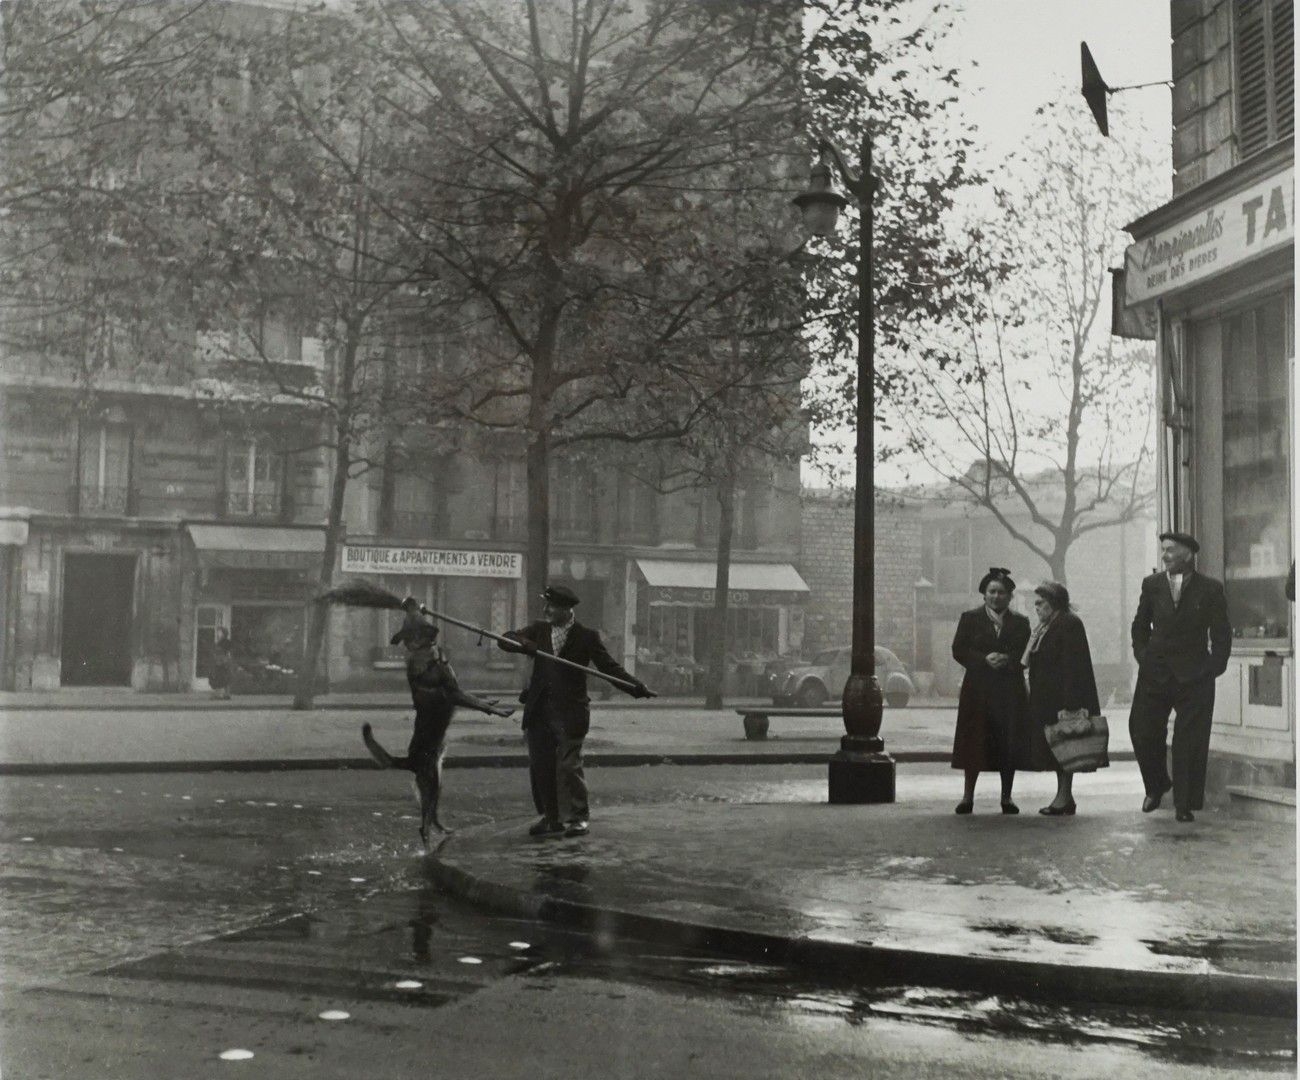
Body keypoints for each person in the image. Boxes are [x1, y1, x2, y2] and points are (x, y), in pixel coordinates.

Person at [499, 584, 653, 839]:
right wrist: (524, 643)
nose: (547, 610)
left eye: (552, 607)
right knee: (541, 767)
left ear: (567, 609)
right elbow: (507, 639)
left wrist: (636, 687)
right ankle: (551, 819)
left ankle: (578, 817)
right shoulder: (539, 629)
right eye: (546, 605)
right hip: (539, 711)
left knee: (569, 766)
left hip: (570, 713)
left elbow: (608, 667)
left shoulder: (586, 636)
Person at [363, 601, 513, 844]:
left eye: (412, 639)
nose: (409, 644)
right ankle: (426, 831)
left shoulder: (431, 657)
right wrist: (487, 708)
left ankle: (433, 823)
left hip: (430, 736)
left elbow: (453, 691)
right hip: (427, 740)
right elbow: (453, 694)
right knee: (430, 787)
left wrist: (412, 607)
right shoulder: (423, 663)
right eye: (408, 640)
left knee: (433, 787)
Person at [1128, 531, 1232, 823]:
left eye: (1170, 550)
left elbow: (1221, 632)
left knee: (1190, 740)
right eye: (1163, 550)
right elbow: (1139, 627)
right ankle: (1157, 784)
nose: (1164, 555)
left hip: (1195, 675)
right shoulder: (1152, 585)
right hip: (1155, 671)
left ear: (1187, 554)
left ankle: (1184, 805)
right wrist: (1143, 656)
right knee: (1141, 728)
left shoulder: (1210, 589)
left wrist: (1214, 666)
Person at [950, 568, 1046, 814]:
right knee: (974, 742)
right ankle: (967, 796)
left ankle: (1007, 797)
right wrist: (983, 659)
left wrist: (1008, 659)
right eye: (991, 591)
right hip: (978, 691)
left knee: (1008, 743)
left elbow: (1025, 653)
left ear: (1010, 596)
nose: (996, 596)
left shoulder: (1020, 623)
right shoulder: (969, 619)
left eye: (1001, 592)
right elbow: (958, 650)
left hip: (1008, 692)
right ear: (984, 594)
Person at [1024, 581, 1105, 815]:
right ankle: (1063, 796)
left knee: (1066, 748)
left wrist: (1070, 704)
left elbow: (1072, 665)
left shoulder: (1068, 624)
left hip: (1062, 699)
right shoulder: (1049, 625)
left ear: (1054, 602)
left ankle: (1064, 797)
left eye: (1040, 603)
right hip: (1050, 698)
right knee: (1059, 748)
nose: (1037, 608)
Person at [208, 627, 233, 700]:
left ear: (223, 633)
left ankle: (220, 694)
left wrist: (224, 660)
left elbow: (227, 653)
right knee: (223, 677)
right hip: (221, 661)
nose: (218, 634)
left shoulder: (225, 642)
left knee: (221, 677)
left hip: (222, 662)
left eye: (219, 632)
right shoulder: (220, 642)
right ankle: (225, 694)